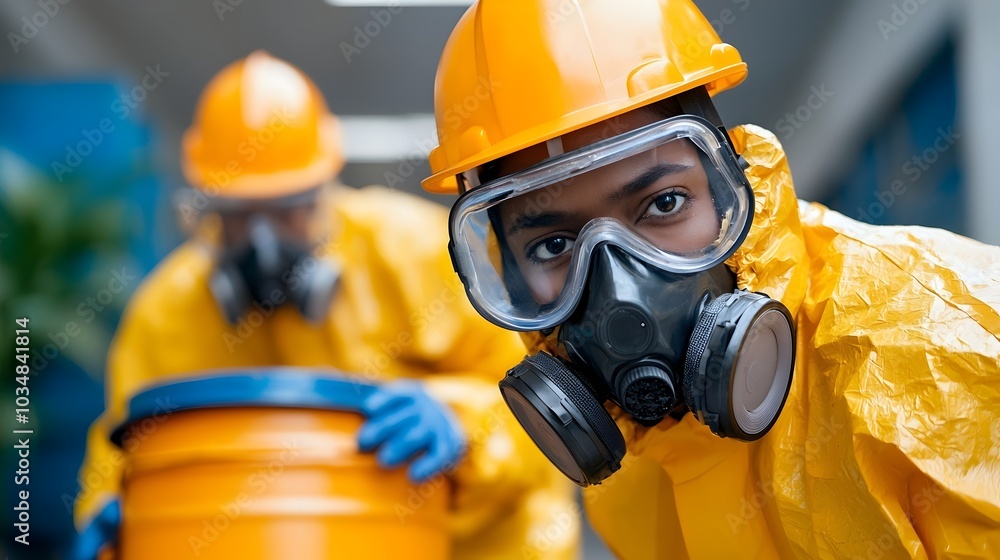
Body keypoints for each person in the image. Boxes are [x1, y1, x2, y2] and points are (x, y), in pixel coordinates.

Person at [421, 1, 1000, 557]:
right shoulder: (630, 473)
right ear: (512, 275)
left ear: (731, 185)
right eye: (553, 245)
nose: (621, 291)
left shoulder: (944, 353)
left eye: (664, 203)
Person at [74, 51, 578, 560]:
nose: (263, 241)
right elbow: (122, 442)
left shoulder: (415, 254)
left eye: (287, 210)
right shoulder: (168, 311)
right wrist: (109, 504)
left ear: (323, 190)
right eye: (239, 214)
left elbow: (548, 400)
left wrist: (461, 425)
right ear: (204, 208)